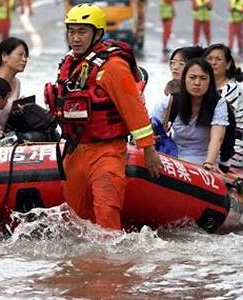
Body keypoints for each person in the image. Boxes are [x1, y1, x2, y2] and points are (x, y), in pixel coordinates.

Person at [45, 4, 162, 230]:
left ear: (97, 33)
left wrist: (148, 149)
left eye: (82, 32)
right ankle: (82, 265)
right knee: (75, 219)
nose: (75, 38)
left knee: (106, 212)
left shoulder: (113, 66)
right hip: (75, 150)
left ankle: (113, 264)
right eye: (72, 32)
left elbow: (134, 108)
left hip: (107, 151)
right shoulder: (69, 64)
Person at [153, 57, 229, 168]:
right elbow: (151, 127)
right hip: (173, 156)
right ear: (184, 79)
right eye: (192, 77)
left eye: (203, 78)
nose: (197, 83)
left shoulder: (218, 103)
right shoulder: (172, 101)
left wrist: (209, 163)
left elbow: (217, 138)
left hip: (203, 159)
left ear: (210, 81)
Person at [204, 43, 243, 171]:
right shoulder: (207, 87)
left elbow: (225, 129)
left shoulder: (229, 90)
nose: (213, 63)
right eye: (209, 59)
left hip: (233, 150)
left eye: (218, 59)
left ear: (228, 64)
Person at [0, 37, 29, 131]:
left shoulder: (17, 83)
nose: (24, 60)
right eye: (20, 55)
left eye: (26, 56)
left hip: (7, 133)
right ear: (4, 56)